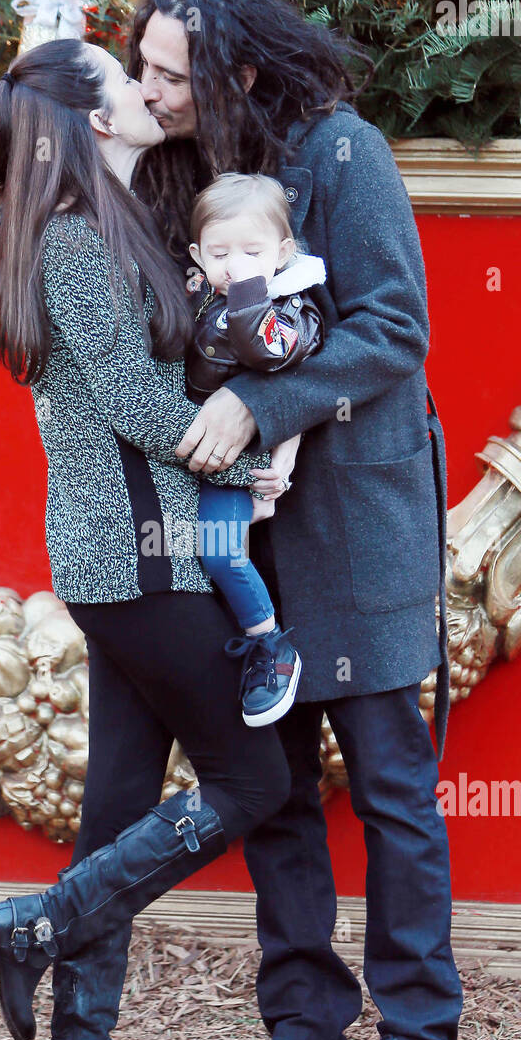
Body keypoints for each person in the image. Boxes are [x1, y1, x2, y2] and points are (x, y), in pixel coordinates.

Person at [0, 37, 353, 1040]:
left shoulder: (112, 227)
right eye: (120, 77)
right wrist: (250, 460)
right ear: (91, 119)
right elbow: (139, 406)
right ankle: (39, 925)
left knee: (121, 803)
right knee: (250, 782)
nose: (144, 89)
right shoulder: (76, 244)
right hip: (141, 556)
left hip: (138, 554)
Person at [127, 0, 463, 1040]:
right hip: (248, 539)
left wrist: (259, 409)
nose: (151, 87)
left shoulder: (340, 154)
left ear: (238, 69)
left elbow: (392, 326)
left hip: (357, 526)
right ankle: (305, 1038)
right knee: (270, 794)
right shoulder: (190, 171)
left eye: (170, 72)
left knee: (389, 790)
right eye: (143, 66)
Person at [186, 171, 327, 726]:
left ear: (283, 252)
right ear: (198, 254)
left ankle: (270, 644)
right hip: (187, 452)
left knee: (219, 551)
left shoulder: (288, 306)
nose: (234, 265)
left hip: (234, 465)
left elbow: (272, 357)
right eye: (220, 253)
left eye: (252, 251)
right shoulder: (200, 292)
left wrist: (248, 291)